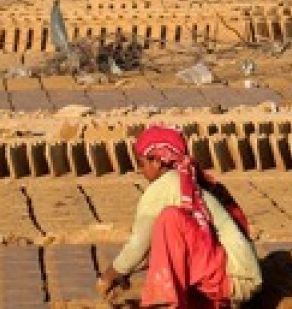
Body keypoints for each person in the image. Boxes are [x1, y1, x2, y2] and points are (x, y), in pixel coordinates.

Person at [98, 125, 262, 308]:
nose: (140, 171)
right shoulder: (185, 182)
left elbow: (138, 244)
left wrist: (110, 274)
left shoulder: (165, 186)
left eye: (141, 163)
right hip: (239, 279)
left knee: (170, 219)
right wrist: (127, 272)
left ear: (157, 162)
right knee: (167, 238)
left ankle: (164, 302)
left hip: (233, 279)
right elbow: (162, 251)